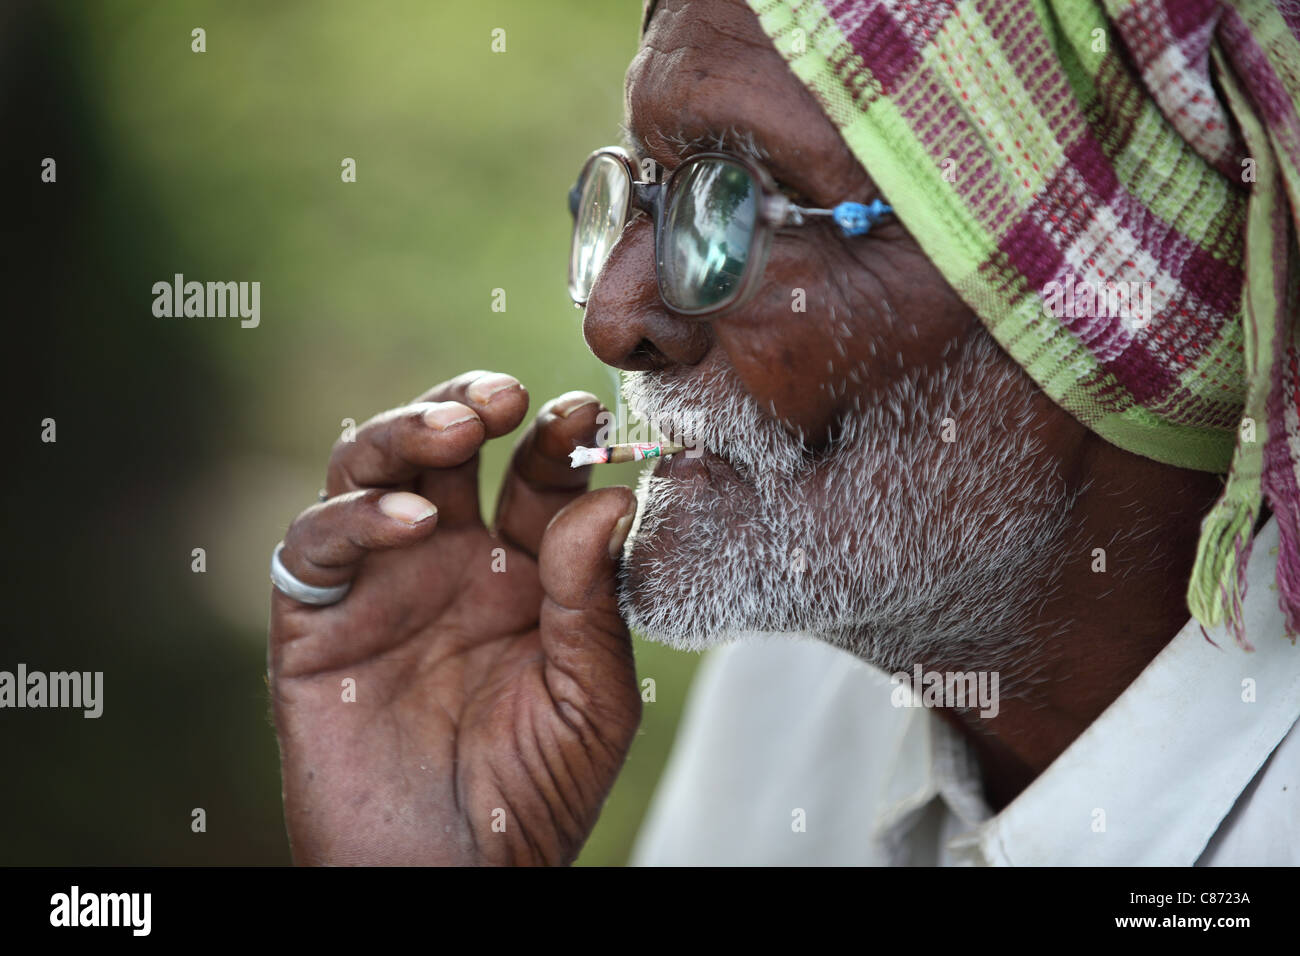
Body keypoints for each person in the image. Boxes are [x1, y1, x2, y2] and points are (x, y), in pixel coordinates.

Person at [267, 0, 1300, 865]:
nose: (616, 318)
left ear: (1101, 307)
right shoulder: (790, 690)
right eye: (643, 193)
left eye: (738, 203)